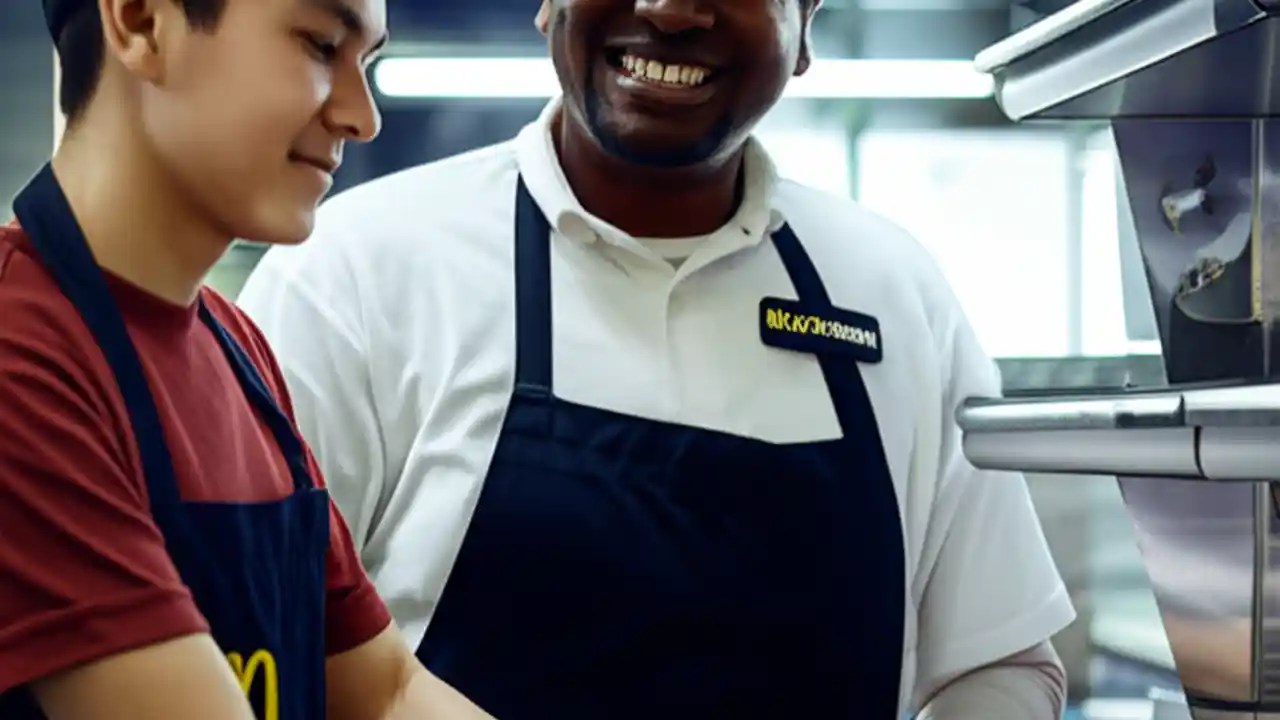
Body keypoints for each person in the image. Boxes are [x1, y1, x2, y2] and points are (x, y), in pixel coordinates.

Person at [239, 0, 1077, 716]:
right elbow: (248, 653)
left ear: (809, 18)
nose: (673, 8)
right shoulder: (352, 277)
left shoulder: (896, 299)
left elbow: (995, 659)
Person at [0, 0, 493, 718]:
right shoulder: (21, 359)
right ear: (141, 23)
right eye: (322, 46)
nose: (362, 116)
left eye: (369, 63)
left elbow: (387, 691)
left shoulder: (238, 351)